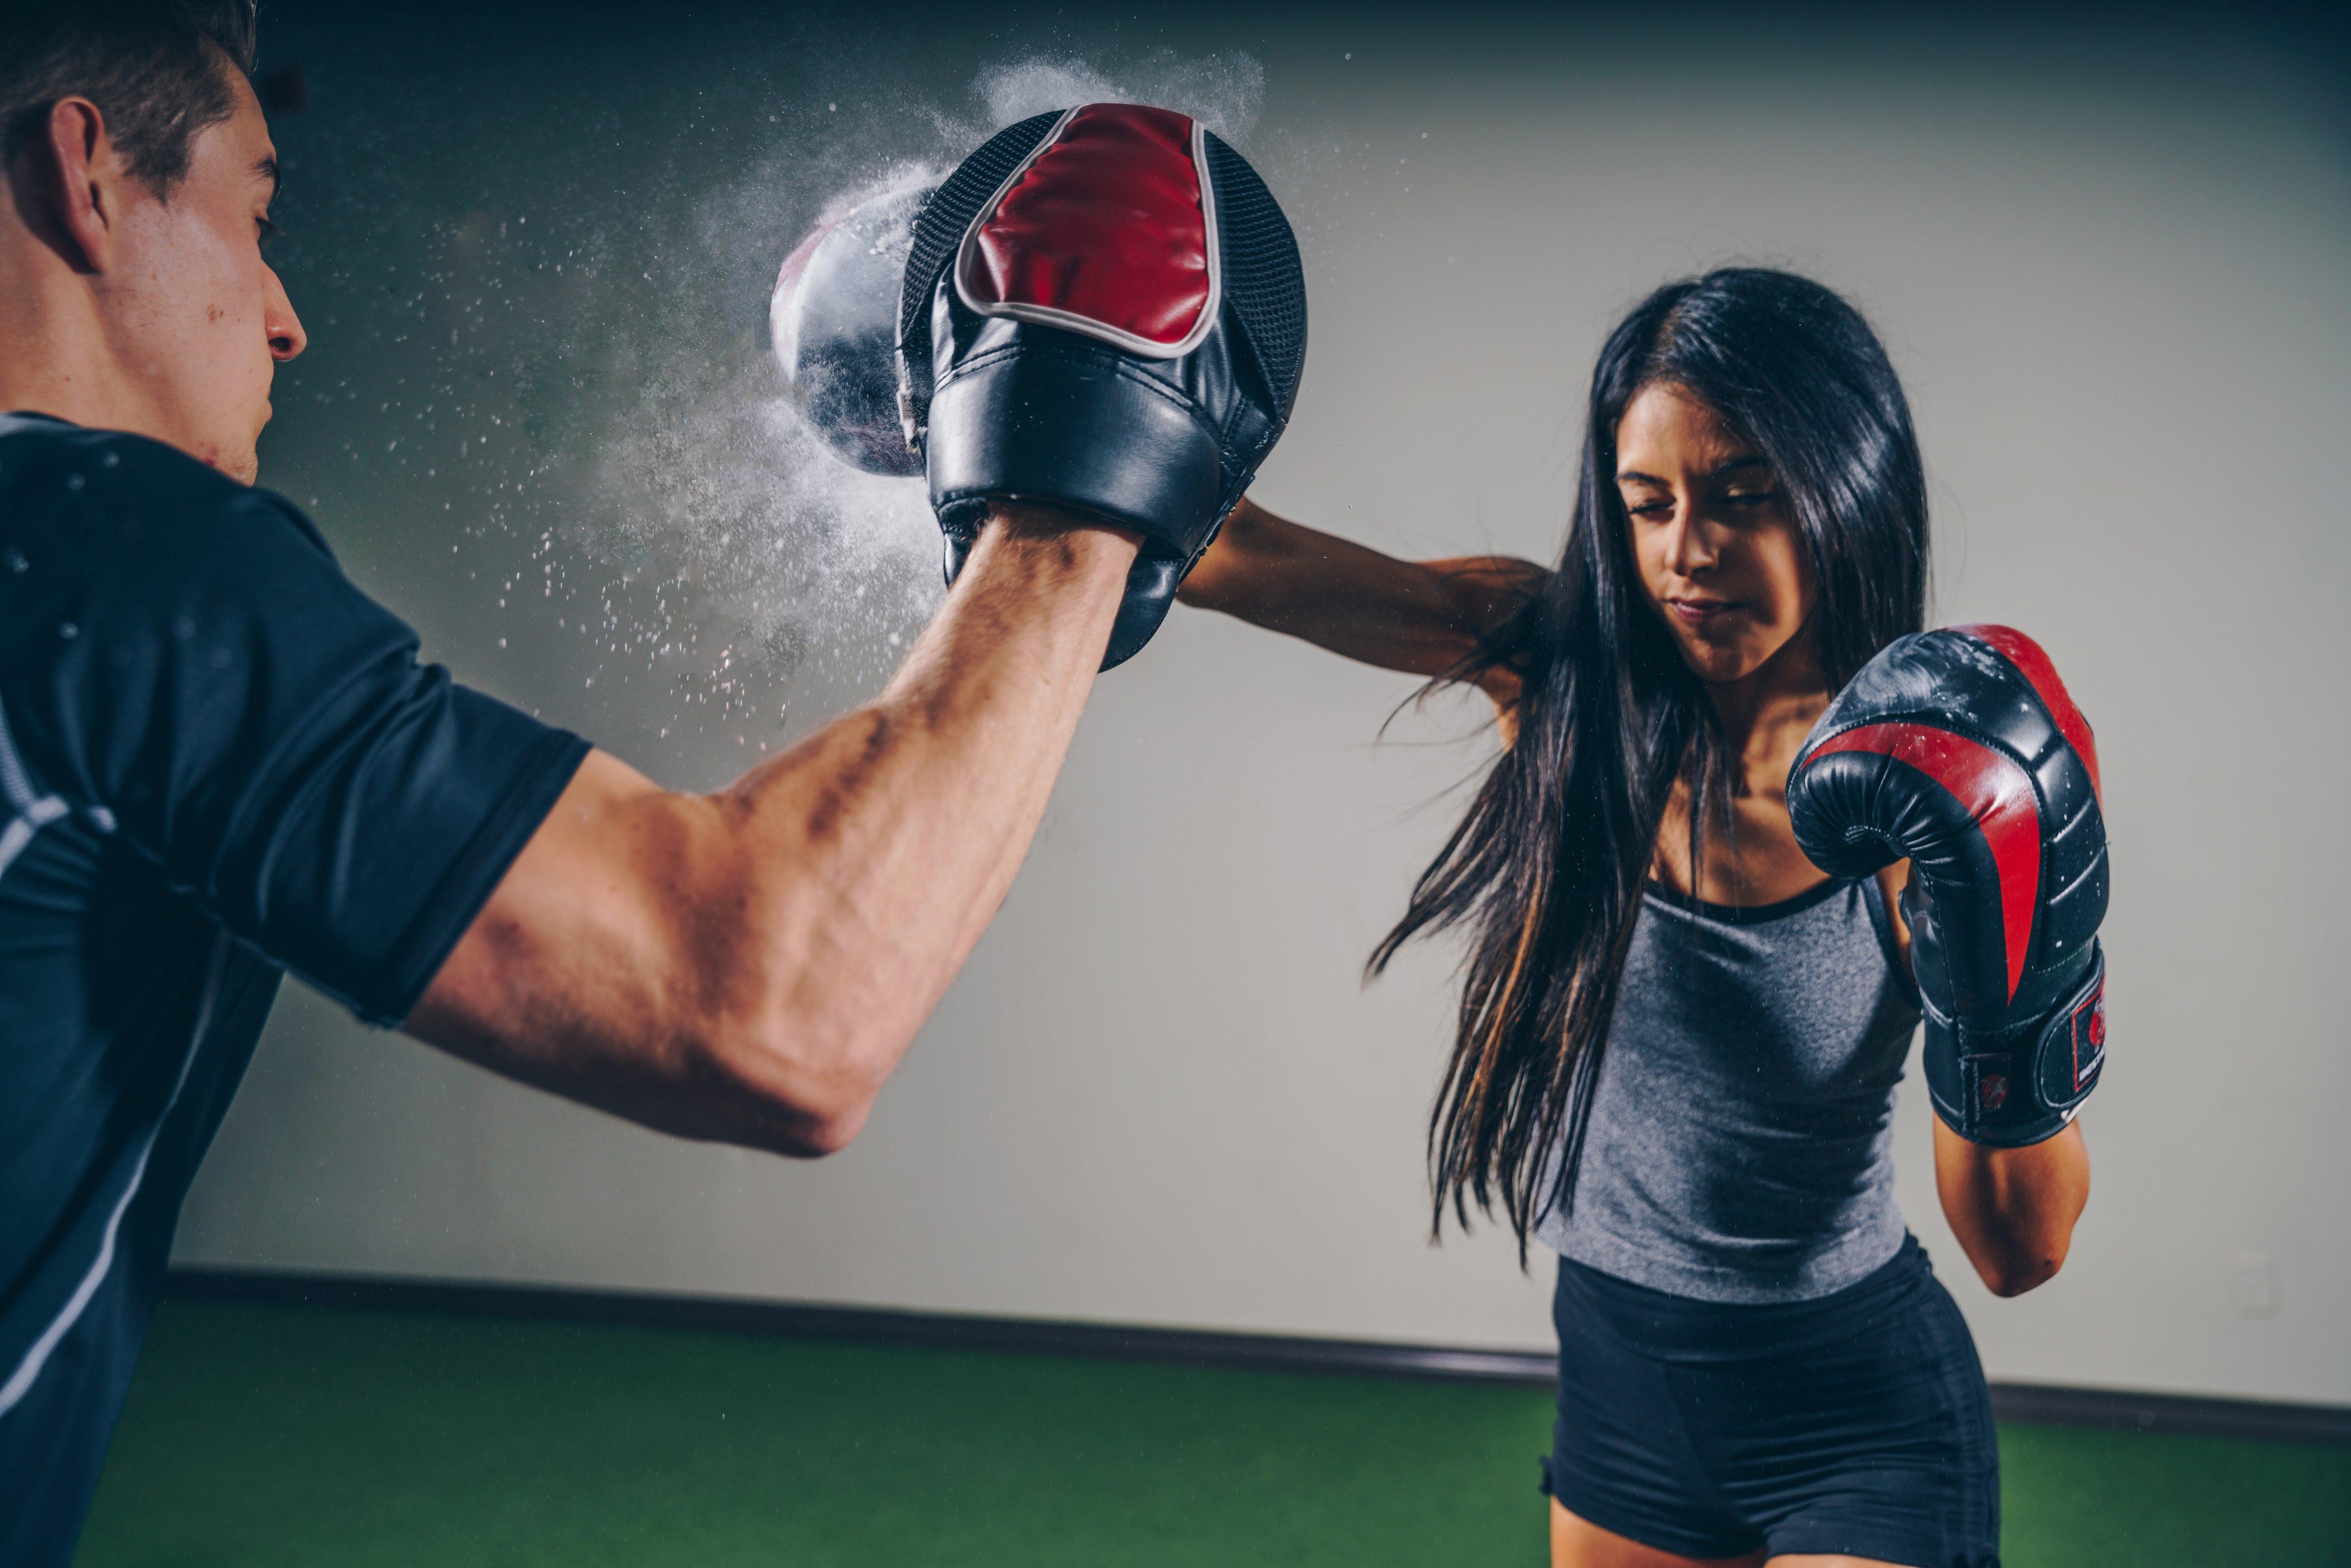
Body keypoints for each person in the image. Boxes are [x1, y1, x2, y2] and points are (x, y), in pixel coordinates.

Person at [0, 7, 1296, 1563]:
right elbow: (773, 1005)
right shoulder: (98, 548)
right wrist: (1080, 471)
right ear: (87, 175)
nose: (285, 320)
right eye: (257, 221)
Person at [1180, 268, 2104, 1568]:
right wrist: (1059, 407)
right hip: (1622, 1383)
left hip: (1854, 1409)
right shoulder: (1556, 673)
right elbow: (1224, 554)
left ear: (1846, 492)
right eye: (1648, 504)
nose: (1688, 551)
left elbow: (2019, 1251)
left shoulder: (1916, 812)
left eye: (1743, 496)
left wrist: (2019, 987)